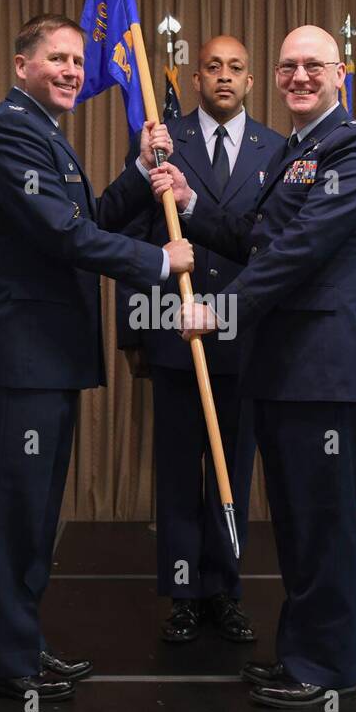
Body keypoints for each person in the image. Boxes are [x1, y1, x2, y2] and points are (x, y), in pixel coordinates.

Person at [150, 25, 356, 708]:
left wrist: (220, 311)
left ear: (340, 71)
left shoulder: (355, 146)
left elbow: (299, 253)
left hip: (325, 374)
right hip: (282, 372)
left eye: (312, 65)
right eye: (288, 66)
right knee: (294, 526)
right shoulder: (297, 150)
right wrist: (192, 205)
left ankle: (325, 668)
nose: (298, 76)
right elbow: (256, 236)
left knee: (323, 527)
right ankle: (301, 653)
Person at [0, 13, 192, 703]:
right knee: (9, 513)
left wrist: (141, 169)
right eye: (56, 58)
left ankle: (22, 642)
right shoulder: (9, 134)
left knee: (34, 513)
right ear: (21, 64)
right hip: (17, 360)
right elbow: (65, 237)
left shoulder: (44, 136)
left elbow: (86, 220)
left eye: (78, 62)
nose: (71, 71)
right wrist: (159, 257)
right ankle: (2, 661)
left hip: (47, 359)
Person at [116, 35, 276, 645]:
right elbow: (129, 236)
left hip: (242, 337)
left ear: (251, 80)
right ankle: (184, 593)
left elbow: (273, 247)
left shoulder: (277, 149)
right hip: (173, 334)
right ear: (197, 75)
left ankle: (225, 593)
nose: (225, 77)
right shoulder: (163, 141)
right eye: (213, 67)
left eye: (237, 67)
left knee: (233, 472)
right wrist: (135, 331)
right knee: (180, 474)